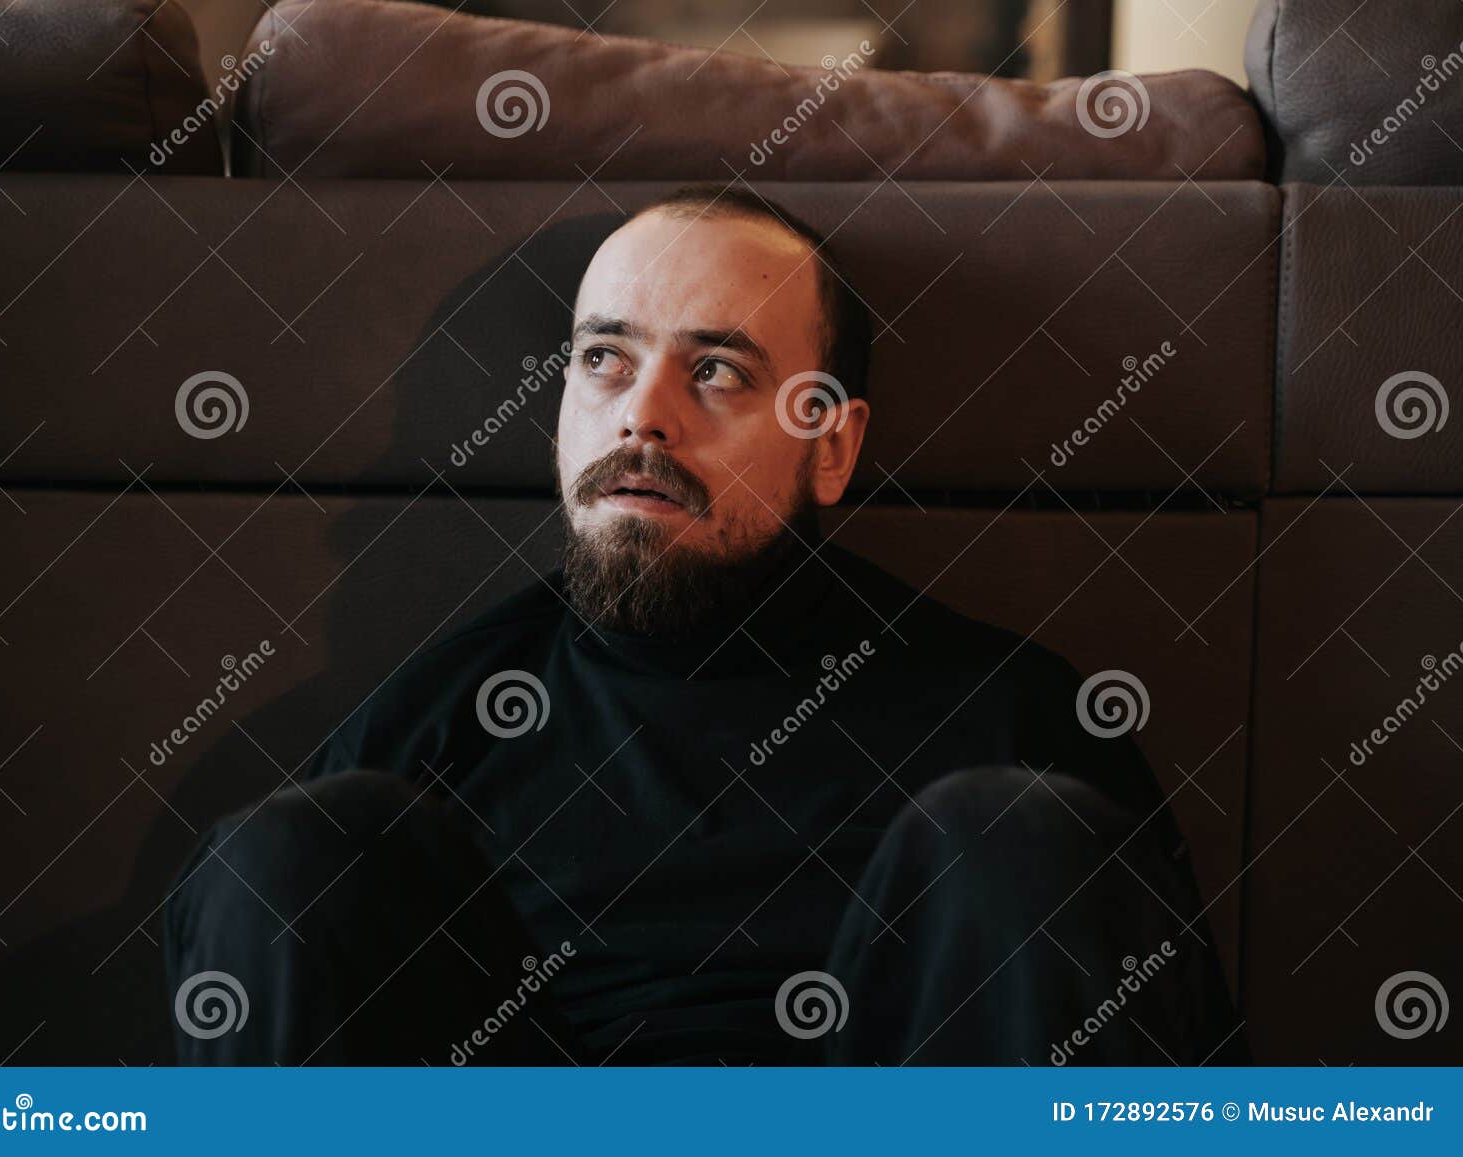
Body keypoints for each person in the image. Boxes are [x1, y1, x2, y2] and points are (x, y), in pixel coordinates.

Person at [163, 184, 1246, 1066]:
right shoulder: (431, 725)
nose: (642, 414)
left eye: (717, 370)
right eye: (603, 358)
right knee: (291, 851)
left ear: (829, 443)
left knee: (1018, 836)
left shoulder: (1006, 712)